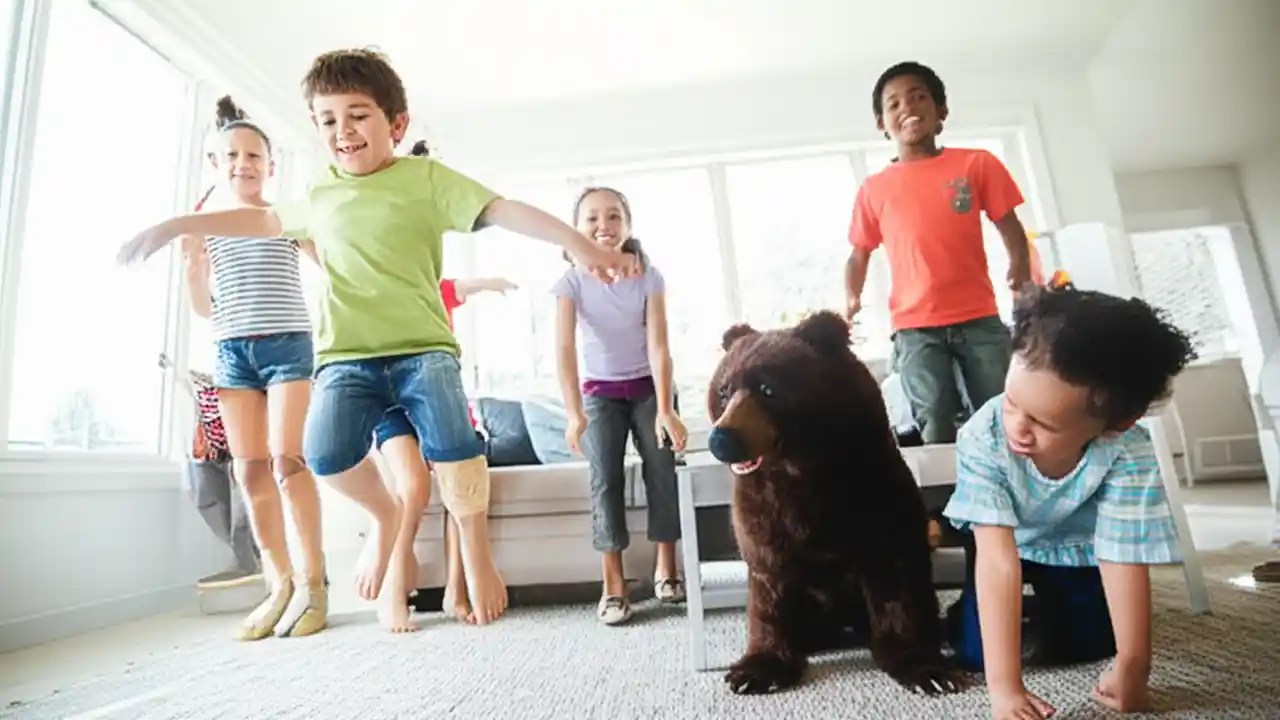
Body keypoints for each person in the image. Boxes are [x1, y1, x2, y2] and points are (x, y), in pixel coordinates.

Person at [117, 48, 636, 628]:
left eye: (357, 115)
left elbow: (504, 209)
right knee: (322, 455)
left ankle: (477, 551)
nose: (343, 131)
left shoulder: (426, 179)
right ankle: (387, 513)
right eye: (328, 120)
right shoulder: (319, 195)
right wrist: (177, 225)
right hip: (347, 360)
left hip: (422, 351)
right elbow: (259, 221)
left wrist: (586, 249)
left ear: (396, 124)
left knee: (453, 446)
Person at [943, 284, 1196, 718]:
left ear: (1114, 424)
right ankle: (970, 612)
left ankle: (1046, 608)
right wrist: (1004, 691)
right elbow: (998, 561)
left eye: (1043, 423)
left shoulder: (1127, 451)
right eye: (1012, 403)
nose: (1018, 428)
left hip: (1079, 550)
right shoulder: (983, 437)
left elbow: (1124, 555)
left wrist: (1133, 666)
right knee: (974, 652)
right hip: (1004, 541)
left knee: (1090, 643)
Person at [179, 96, 327, 640]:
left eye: (253, 155)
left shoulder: (283, 218)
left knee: (288, 462)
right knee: (248, 470)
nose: (243, 163)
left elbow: (333, 267)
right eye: (231, 155)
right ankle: (279, 585)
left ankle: (314, 587)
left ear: (270, 165)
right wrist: (194, 269)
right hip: (231, 354)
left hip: (289, 347)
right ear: (215, 164)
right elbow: (204, 308)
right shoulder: (205, 227)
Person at [846, 60, 1033, 444]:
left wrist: (1019, 266)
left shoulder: (975, 164)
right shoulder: (874, 189)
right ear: (882, 123)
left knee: (998, 412)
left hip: (978, 317)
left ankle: (1005, 493)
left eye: (918, 98)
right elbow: (859, 252)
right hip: (915, 327)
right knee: (933, 418)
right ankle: (945, 501)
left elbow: (1008, 223)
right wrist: (851, 297)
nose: (907, 109)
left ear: (941, 111)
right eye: (894, 104)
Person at [554, 186, 688, 625]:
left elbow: (659, 344)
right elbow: (564, 350)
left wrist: (666, 410)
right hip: (600, 394)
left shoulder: (648, 276)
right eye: (591, 218)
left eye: (613, 217)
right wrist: (575, 412)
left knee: (662, 468)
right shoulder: (570, 282)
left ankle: (666, 566)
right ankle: (613, 584)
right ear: (577, 230)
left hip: (649, 387)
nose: (603, 226)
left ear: (628, 225)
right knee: (604, 479)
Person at [371, 273, 518, 632]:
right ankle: (394, 588)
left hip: (440, 403)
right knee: (413, 486)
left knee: (461, 484)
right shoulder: (374, 286)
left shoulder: (435, 286)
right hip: (392, 408)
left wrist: (493, 282)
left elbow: (463, 285)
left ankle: (456, 589)